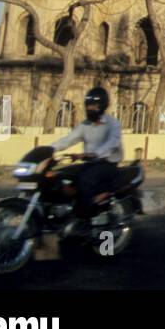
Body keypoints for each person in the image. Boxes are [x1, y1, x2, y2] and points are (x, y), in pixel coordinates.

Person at [50, 86, 124, 225]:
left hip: (108, 164)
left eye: (95, 106)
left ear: (103, 106)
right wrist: (48, 149)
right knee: (60, 175)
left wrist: (91, 154)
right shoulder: (85, 125)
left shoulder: (113, 124)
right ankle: (65, 214)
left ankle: (85, 218)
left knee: (85, 180)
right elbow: (68, 139)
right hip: (89, 163)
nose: (91, 109)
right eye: (89, 105)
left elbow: (111, 144)